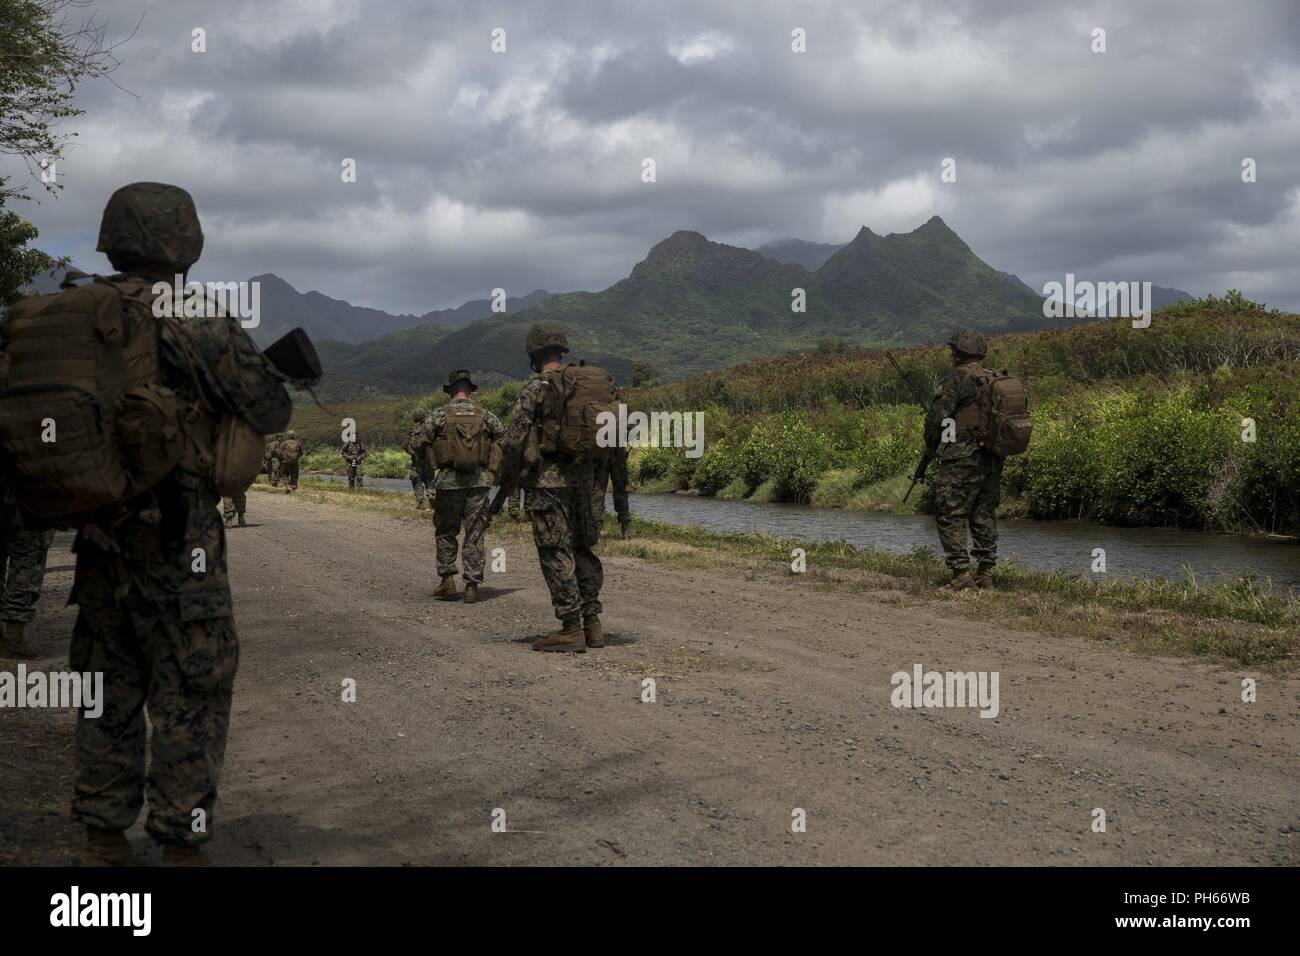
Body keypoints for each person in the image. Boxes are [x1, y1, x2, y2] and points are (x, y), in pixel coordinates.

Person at [29, 182, 295, 865]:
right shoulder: (195, 316)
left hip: (95, 534)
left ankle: (103, 835)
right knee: (192, 683)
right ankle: (180, 839)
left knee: (107, 686)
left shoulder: (69, 313)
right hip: (183, 540)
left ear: (112, 237)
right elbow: (267, 408)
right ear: (186, 242)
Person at [497, 324, 612, 651]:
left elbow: (514, 440)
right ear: (561, 350)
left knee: (555, 550)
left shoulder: (536, 387)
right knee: (582, 548)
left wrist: (508, 481)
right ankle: (593, 623)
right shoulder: (585, 385)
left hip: (548, 483)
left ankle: (570, 627)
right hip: (585, 481)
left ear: (534, 354)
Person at [924, 329, 1003, 590]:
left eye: (953, 350)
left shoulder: (957, 378)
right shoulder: (991, 378)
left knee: (950, 510)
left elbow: (938, 419)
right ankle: (986, 574)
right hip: (991, 456)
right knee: (983, 512)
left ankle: (960, 574)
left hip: (961, 456)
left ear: (958, 353)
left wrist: (931, 445)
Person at [429, 371, 503, 604]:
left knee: (446, 531)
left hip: (449, 482)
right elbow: (504, 439)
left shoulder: (440, 414)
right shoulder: (485, 415)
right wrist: (492, 466)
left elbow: (418, 441)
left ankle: (448, 581)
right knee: (475, 533)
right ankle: (472, 585)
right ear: (471, 389)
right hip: (479, 482)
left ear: (451, 390)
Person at [0, 480, 57, 659]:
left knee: (28, 562)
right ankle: (12, 637)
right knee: (28, 563)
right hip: (29, 497)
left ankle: (11, 638)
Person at [402, 408, 432, 510]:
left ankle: (421, 502)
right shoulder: (430, 427)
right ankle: (432, 499)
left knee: (416, 480)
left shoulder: (411, 429)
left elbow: (405, 445)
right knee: (429, 480)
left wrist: (413, 453)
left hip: (416, 460)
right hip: (429, 459)